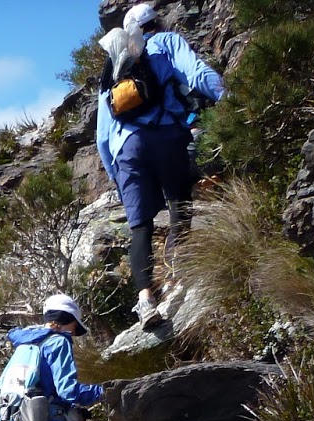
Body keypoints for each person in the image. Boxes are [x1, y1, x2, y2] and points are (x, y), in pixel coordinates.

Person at [96, 2, 224, 330]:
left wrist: (115, 174)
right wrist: (229, 96)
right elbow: (195, 74)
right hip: (166, 135)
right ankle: (180, 272)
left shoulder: (113, 65)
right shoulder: (167, 43)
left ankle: (144, 298)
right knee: (179, 202)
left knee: (140, 227)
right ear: (158, 21)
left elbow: (101, 135)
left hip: (127, 149)